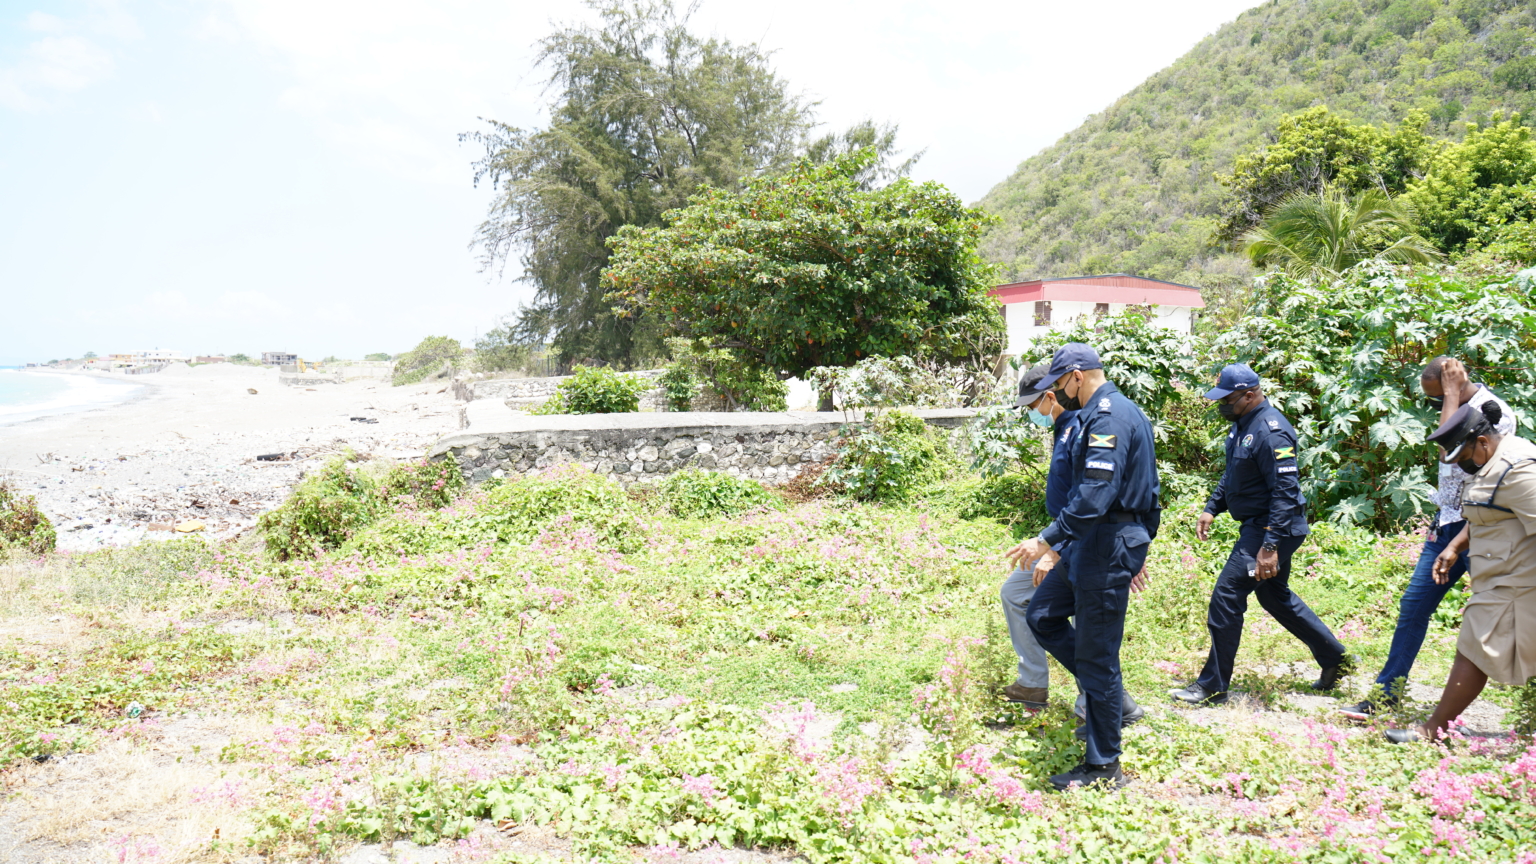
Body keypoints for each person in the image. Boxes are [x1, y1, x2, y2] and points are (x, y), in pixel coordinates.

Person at [1006, 343, 1160, 791]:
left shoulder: (1109, 415)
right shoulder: (1102, 413)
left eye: (1058, 384)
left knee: (1097, 657)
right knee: (1043, 614)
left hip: (1104, 546)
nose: (1058, 393)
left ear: (1076, 375)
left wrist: (1049, 539)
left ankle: (1103, 766)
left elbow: (1096, 493)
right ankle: (1108, 699)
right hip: (1091, 544)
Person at [1340, 357, 1517, 720]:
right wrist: (1449, 397)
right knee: (1414, 607)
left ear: (1458, 383)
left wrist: (1451, 396)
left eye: (1438, 398)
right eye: (1434, 401)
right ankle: (1385, 696)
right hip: (1447, 525)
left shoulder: (1494, 412)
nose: (1436, 406)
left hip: (1483, 528)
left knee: (1507, 619)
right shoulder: (1453, 405)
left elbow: (1449, 454)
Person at [1171, 364, 1352, 706]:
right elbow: (1235, 474)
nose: (1222, 405)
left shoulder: (1272, 432)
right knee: (1273, 596)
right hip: (1262, 527)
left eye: (1228, 399)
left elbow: (1285, 491)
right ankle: (1335, 660)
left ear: (1250, 395)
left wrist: (1269, 546)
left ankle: (1212, 685)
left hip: (1271, 529)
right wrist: (1212, 507)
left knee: (1227, 596)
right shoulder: (1243, 424)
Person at [1386, 401, 1536, 743]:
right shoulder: (1493, 460)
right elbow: (1489, 511)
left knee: (1473, 644)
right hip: (1498, 575)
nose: (1461, 464)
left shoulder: (1520, 467)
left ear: (1482, 442)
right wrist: (1455, 547)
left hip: (1519, 579)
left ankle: (1431, 731)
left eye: (1462, 455)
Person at [997, 363, 1075, 709]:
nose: (1032, 415)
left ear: (1049, 397)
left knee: (1080, 618)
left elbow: (1090, 501)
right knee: (1015, 592)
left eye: (1032, 407)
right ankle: (1033, 682)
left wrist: (1052, 551)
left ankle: (1100, 698)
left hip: (1076, 544)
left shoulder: (1082, 429)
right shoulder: (1061, 429)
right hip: (1059, 537)